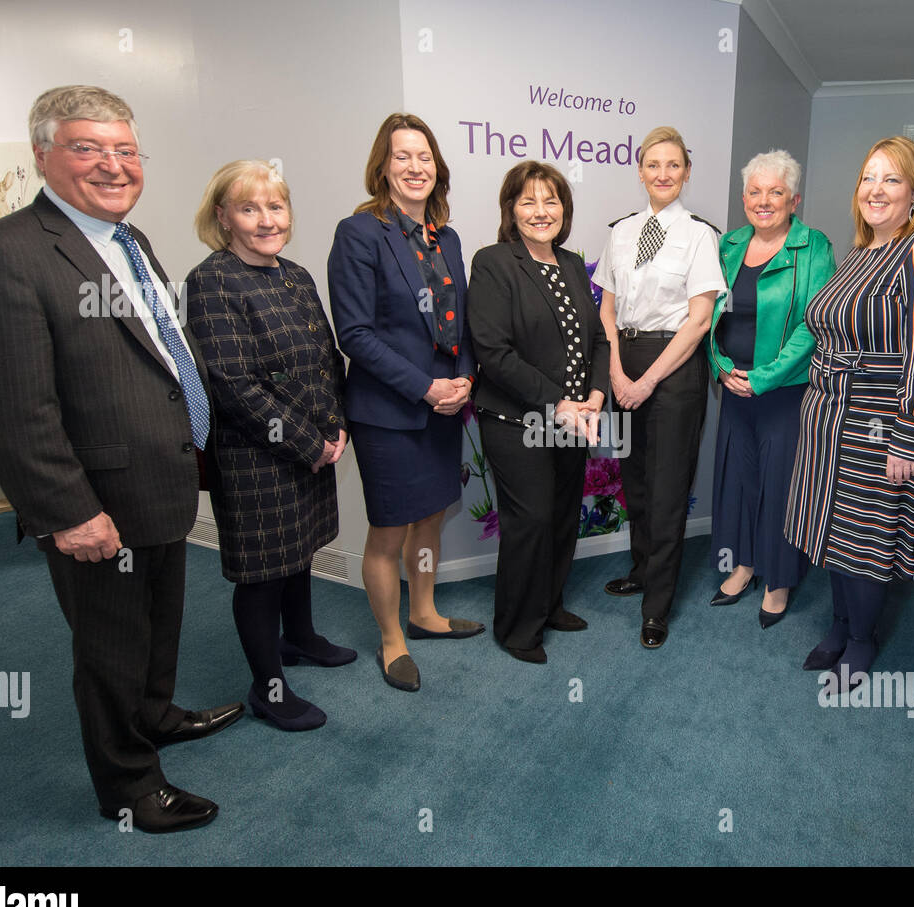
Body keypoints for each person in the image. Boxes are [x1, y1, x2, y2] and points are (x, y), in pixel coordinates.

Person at [0, 86, 242, 833]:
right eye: (88, 148)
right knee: (110, 647)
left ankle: (156, 714)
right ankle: (130, 788)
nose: (113, 165)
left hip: (161, 480)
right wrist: (68, 511)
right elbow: (14, 408)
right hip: (94, 498)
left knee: (158, 623)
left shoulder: (131, 241)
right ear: (42, 154)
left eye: (126, 150)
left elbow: (152, 356)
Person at [785, 135, 914, 690]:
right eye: (868, 177)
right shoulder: (861, 253)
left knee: (866, 540)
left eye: (891, 178)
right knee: (834, 532)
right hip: (826, 415)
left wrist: (908, 436)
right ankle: (839, 626)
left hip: (881, 419)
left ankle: (861, 640)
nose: (876, 189)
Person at [185, 160, 354, 732]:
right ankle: (268, 689)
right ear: (223, 217)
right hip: (257, 457)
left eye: (275, 207)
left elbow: (328, 359)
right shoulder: (211, 282)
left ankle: (300, 638)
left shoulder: (297, 275)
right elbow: (233, 384)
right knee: (262, 573)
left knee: (299, 549)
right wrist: (310, 441)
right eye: (249, 208)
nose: (265, 220)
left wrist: (337, 426)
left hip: (312, 447)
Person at [327, 113, 483, 693]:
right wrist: (426, 387)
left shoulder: (448, 237)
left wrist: (463, 378)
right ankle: (392, 639)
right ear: (383, 166)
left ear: (437, 167)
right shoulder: (360, 232)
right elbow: (356, 333)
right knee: (390, 530)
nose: (416, 167)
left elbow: (460, 322)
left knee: (432, 518)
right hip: (390, 412)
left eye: (425, 157)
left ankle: (425, 613)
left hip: (446, 407)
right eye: (403, 156)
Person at [467, 161, 610, 664]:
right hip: (517, 419)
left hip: (574, 418)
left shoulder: (571, 263)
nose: (540, 211)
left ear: (564, 210)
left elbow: (596, 338)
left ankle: (549, 605)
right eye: (527, 201)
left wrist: (595, 396)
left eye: (550, 200)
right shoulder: (494, 262)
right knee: (530, 520)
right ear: (511, 210)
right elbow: (494, 351)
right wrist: (560, 403)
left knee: (562, 516)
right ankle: (516, 627)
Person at [593, 126, 727, 649]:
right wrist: (616, 372)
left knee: (669, 489)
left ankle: (658, 606)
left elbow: (698, 321)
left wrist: (646, 380)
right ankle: (643, 570)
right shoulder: (620, 232)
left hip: (673, 366)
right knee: (637, 482)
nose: (663, 174)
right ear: (641, 171)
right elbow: (605, 306)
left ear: (687, 172)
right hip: (623, 359)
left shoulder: (700, 235)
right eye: (654, 165)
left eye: (674, 165)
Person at [707, 150, 834, 628]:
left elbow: (812, 325)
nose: (764, 201)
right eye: (755, 192)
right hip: (732, 385)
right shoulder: (728, 245)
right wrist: (720, 366)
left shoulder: (813, 246)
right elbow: (707, 315)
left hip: (783, 391)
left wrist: (762, 378)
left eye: (775, 192)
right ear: (744, 199)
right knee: (739, 482)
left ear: (794, 199)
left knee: (780, 487)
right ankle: (744, 565)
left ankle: (778, 581)